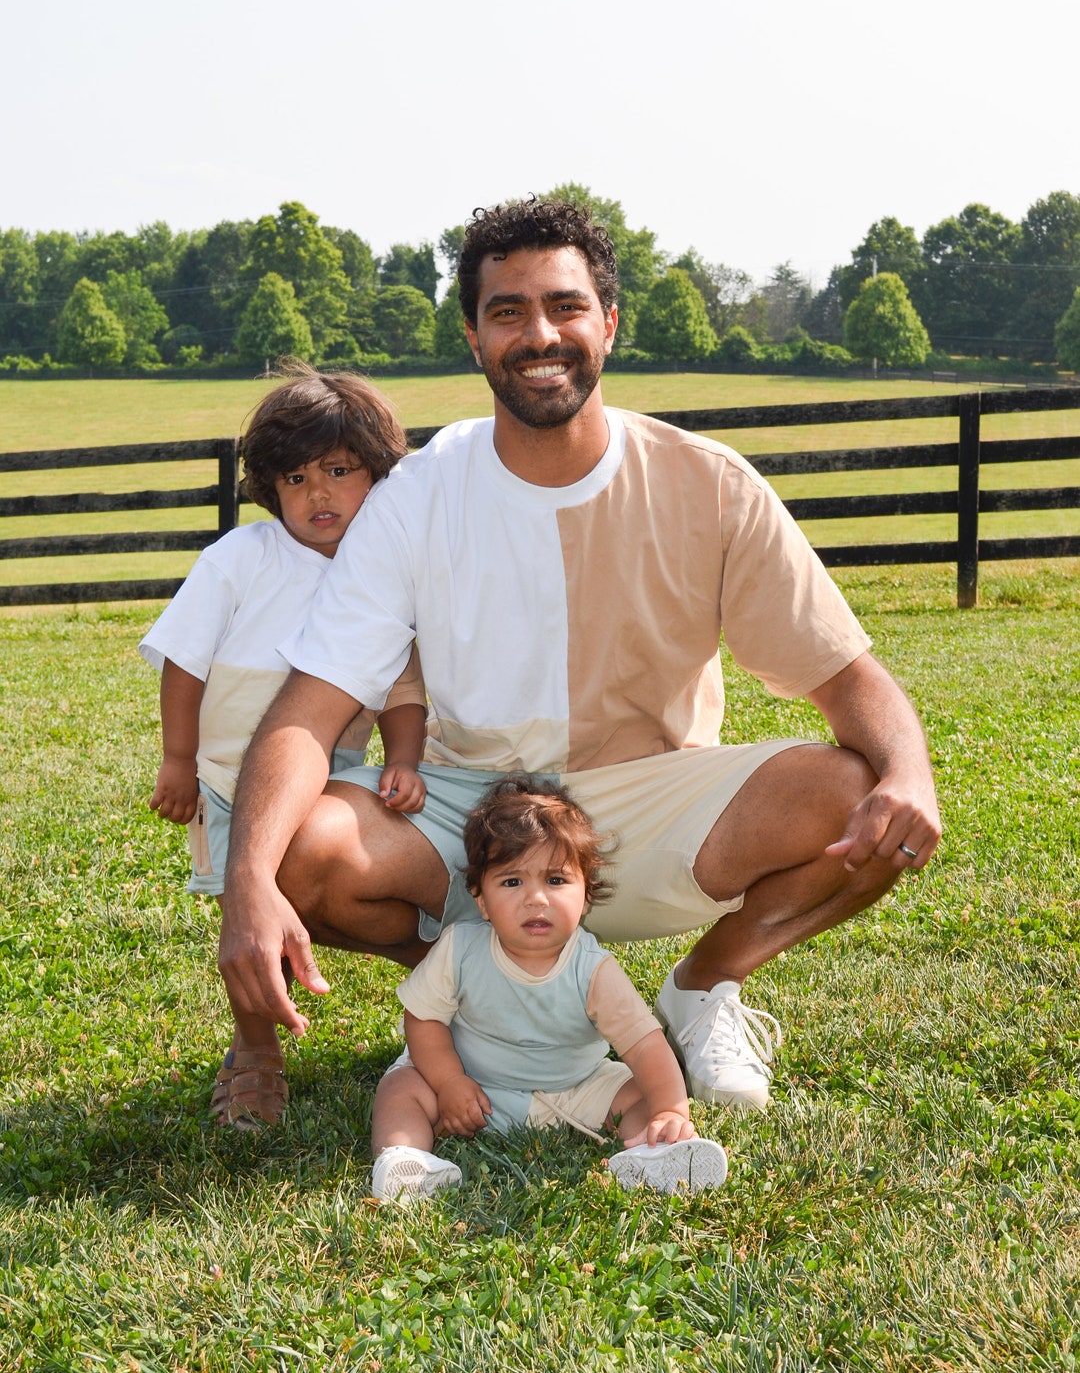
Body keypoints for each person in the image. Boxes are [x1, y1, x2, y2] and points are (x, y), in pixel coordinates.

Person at [218, 197, 942, 1116]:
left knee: (865, 794)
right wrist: (247, 882)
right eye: (508, 311)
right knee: (301, 846)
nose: (540, 333)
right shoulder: (417, 496)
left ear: (608, 320)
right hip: (465, 807)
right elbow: (304, 714)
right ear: (475, 339)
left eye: (563, 305)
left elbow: (849, 679)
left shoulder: (707, 481)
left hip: (649, 807)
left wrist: (910, 768)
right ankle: (490, 986)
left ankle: (701, 986)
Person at [140, 363, 427, 1128]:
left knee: (339, 879)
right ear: (269, 488)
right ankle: (256, 1051)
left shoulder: (387, 573)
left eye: (340, 470)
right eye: (296, 477)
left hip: (340, 777)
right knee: (250, 909)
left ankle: (451, 984)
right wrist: (178, 758)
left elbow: (404, 686)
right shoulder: (240, 558)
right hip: (234, 780)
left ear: (379, 474)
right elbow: (184, 658)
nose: (319, 493)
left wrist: (401, 756)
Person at [370, 776, 729, 1201]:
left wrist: (671, 1107)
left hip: (574, 1088)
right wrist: (449, 1083)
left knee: (639, 1093)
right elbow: (424, 1020)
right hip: (472, 1082)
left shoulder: (592, 969)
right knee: (401, 1089)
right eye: (511, 882)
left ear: (586, 894)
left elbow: (645, 1045)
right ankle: (405, 1161)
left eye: (556, 881)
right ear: (481, 899)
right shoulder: (460, 949)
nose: (535, 899)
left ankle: (656, 1153)